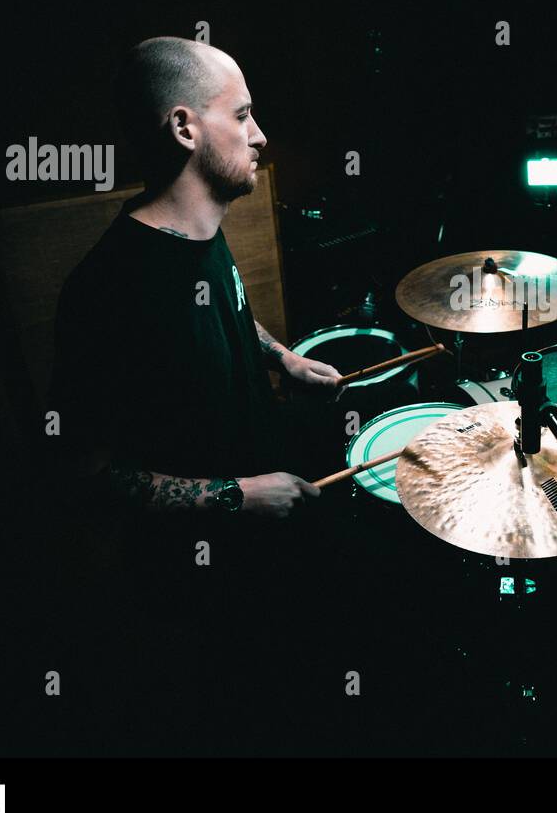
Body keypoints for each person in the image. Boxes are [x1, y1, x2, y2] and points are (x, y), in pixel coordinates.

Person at [48, 37, 343, 524]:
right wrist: (238, 495)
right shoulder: (108, 289)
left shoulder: (199, 233)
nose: (260, 135)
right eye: (242, 114)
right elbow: (82, 470)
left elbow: (229, 316)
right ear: (185, 128)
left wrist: (282, 358)